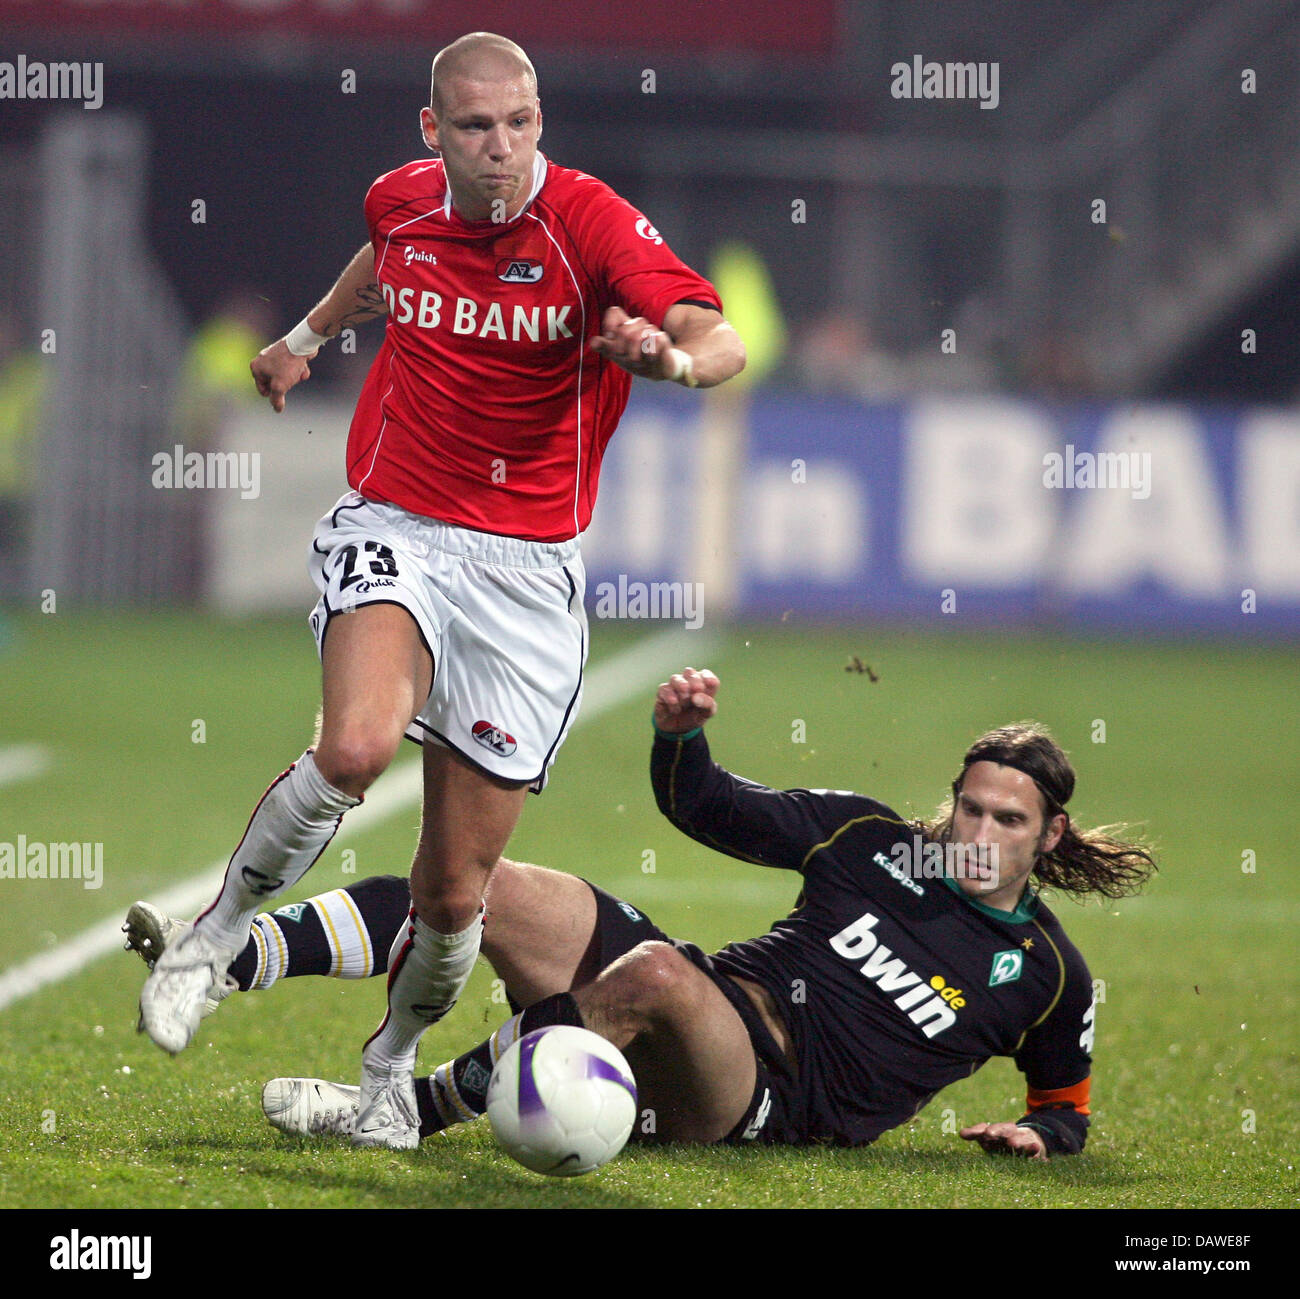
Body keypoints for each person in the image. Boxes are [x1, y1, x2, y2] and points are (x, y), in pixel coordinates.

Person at [136, 30, 745, 1154]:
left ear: (539, 121)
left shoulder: (592, 227)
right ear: (433, 132)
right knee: (357, 748)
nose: (502, 148)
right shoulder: (401, 200)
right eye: (475, 128)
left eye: (520, 124)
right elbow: (386, 263)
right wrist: (303, 337)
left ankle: (387, 1077)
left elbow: (721, 339)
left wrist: (666, 361)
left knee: (455, 893)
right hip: (399, 524)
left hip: (526, 575)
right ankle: (209, 941)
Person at [127, 667, 1156, 1156]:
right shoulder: (869, 839)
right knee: (482, 880)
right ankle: (223, 958)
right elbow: (704, 806)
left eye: (1005, 818)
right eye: (968, 804)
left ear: (1050, 836)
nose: (975, 829)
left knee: (656, 978)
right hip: (705, 992)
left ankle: (407, 1110)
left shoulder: (1048, 972)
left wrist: (1039, 1139)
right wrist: (679, 738)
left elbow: (1064, 1102)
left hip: (763, 1100)